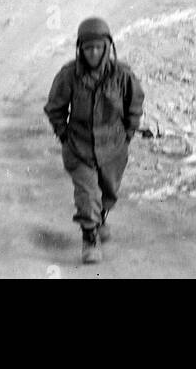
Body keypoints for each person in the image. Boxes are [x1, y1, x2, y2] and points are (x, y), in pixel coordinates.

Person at [44, 16, 144, 264]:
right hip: (80, 148)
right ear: (80, 50)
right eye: (88, 48)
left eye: (98, 47)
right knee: (87, 194)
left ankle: (101, 219)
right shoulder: (69, 76)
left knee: (108, 191)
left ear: (107, 48)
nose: (93, 53)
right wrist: (64, 134)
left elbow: (135, 104)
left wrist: (128, 133)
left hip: (113, 147)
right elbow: (54, 108)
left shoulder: (122, 75)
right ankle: (89, 238)